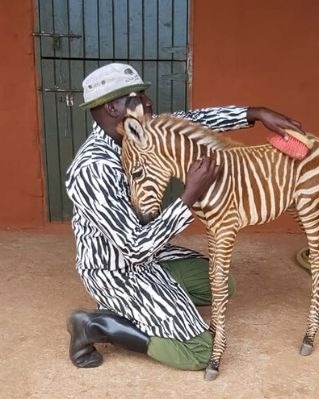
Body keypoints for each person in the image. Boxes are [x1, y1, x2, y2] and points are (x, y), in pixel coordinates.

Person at [65, 62, 303, 370]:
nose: (148, 102)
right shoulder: (94, 168)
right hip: (116, 269)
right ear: (112, 107)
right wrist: (189, 196)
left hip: (152, 257)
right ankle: (96, 326)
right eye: (137, 96)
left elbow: (191, 121)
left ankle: (134, 306)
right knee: (199, 351)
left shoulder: (141, 132)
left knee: (222, 285)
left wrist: (255, 114)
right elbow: (135, 246)